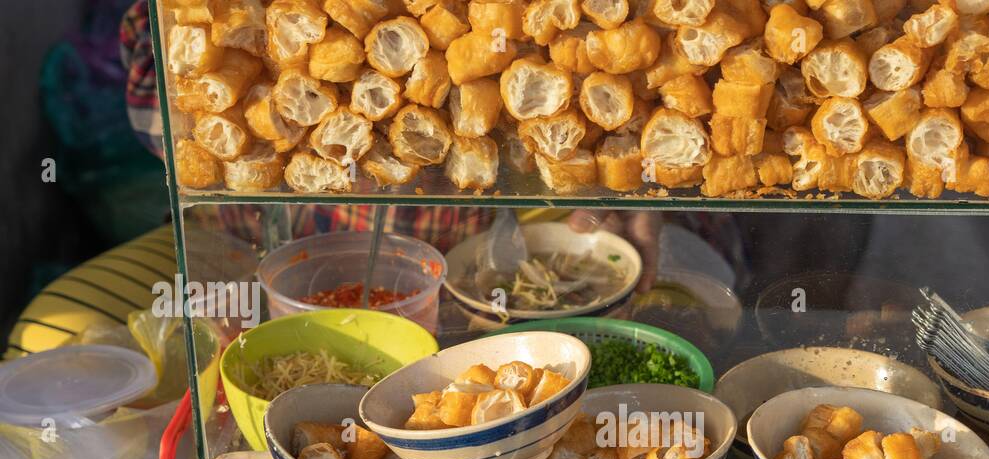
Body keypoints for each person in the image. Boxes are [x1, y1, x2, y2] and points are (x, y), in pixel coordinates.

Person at [118, 1, 745, 294]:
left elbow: (666, 79)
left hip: (529, 234)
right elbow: (161, 111)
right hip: (290, 249)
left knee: (697, 290)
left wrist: (637, 191)